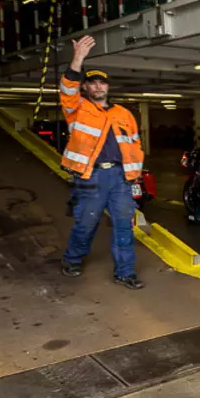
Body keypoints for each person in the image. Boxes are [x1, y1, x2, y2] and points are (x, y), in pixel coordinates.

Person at [59, 35, 146, 289]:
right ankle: (72, 259)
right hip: (91, 178)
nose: (98, 87)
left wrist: (134, 175)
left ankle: (125, 272)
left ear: (108, 87)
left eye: (102, 84)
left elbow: (135, 145)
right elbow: (67, 88)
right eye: (93, 83)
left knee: (124, 227)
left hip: (120, 180)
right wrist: (78, 58)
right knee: (86, 223)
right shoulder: (77, 108)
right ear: (85, 87)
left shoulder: (124, 114)